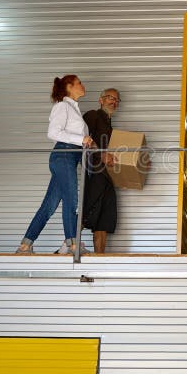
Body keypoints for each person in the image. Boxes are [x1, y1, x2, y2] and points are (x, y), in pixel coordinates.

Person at [16, 75, 94, 255]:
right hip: (64, 155)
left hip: (69, 158)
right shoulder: (62, 106)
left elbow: (78, 138)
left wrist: (88, 142)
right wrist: (80, 138)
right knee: (71, 201)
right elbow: (53, 132)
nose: (83, 85)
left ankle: (25, 245)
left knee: (49, 205)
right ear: (69, 86)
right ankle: (74, 245)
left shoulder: (74, 109)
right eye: (79, 83)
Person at [82, 88, 121, 253]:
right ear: (101, 100)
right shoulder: (93, 115)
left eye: (116, 99)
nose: (114, 101)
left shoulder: (112, 128)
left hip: (108, 176)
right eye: (110, 98)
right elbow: (83, 137)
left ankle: (100, 258)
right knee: (87, 212)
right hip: (94, 172)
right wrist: (101, 154)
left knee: (104, 219)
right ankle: (69, 244)